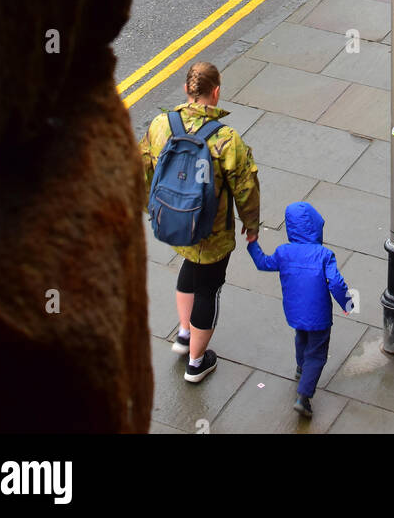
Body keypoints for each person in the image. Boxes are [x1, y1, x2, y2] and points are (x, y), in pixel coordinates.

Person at [139, 60, 260, 383]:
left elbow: (143, 168)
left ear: (186, 90)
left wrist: (152, 209)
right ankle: (196, 362)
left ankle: (183, 334)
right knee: (208, 289)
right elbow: (245, 187)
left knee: (189, 270)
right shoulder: (227, 139)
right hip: (212, 231)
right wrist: (252, 225)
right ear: (216, 92)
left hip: (175, 223)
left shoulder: (162, 124)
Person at [248, 201, 350, 419]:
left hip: (295, 313)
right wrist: (347, 303)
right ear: (315, 226)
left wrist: (252, 244)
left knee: (301, 337)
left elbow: (263, 263)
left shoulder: (283, 252)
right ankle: (304, 397)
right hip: (319, 315)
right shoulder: (324, 255)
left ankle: (300, 368)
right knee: (317, 354)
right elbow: (336, 283)